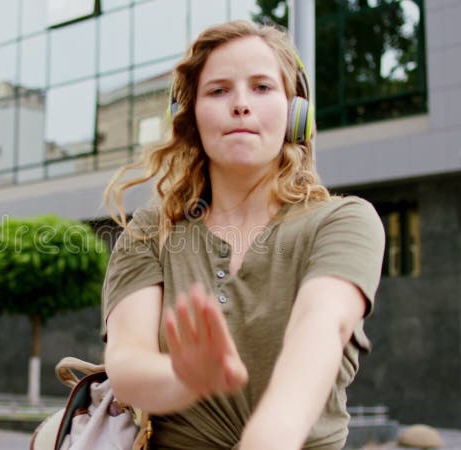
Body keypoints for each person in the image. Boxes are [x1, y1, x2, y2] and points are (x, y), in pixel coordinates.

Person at [101, 20, 385, 450]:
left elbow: (320, 328)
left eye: (261, 87)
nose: (240, 105)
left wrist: (268, 439)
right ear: (189, 116)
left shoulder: (343, 221)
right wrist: (184, 377)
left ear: (296, 112)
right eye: (218, 90)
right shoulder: (151, 229)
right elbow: (126, 364)